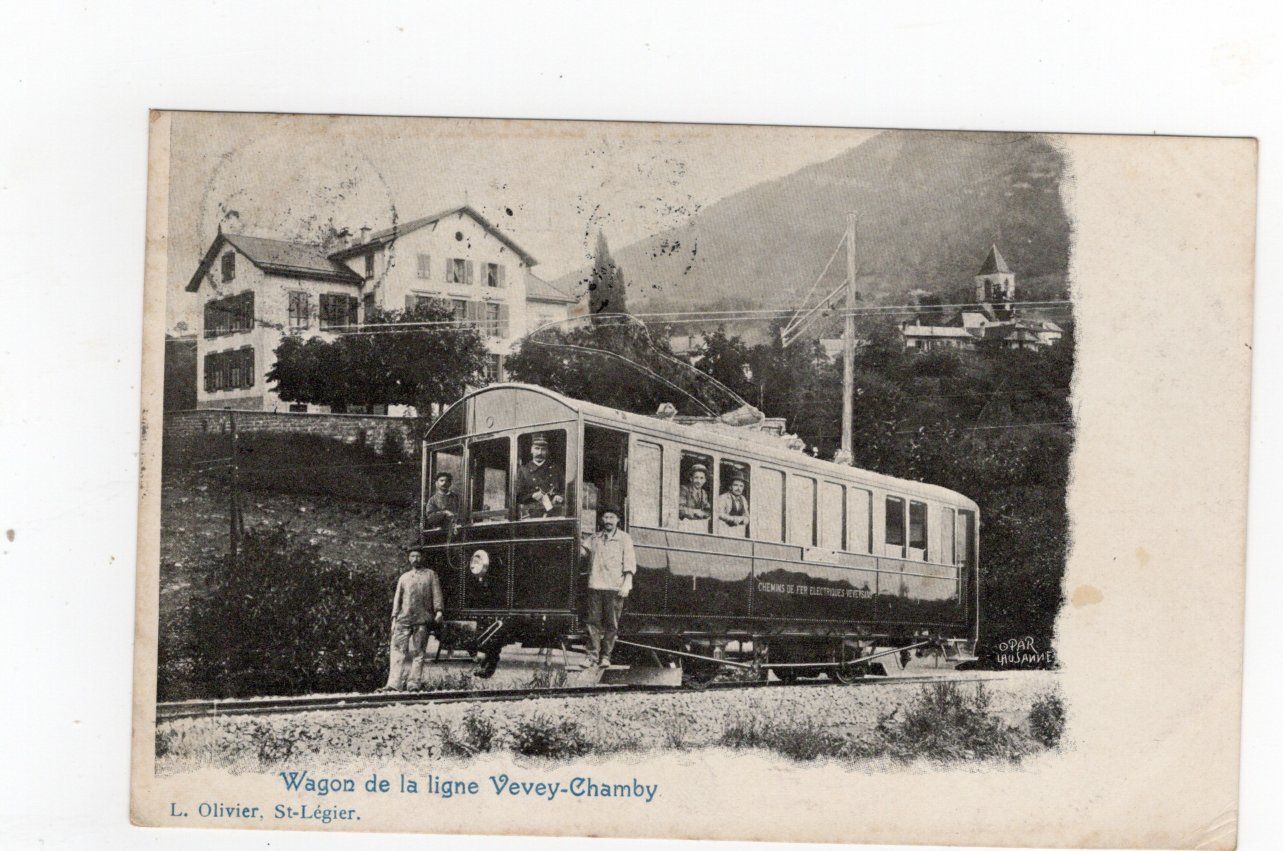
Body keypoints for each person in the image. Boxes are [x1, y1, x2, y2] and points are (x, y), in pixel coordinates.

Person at [377, 549, 444, 692]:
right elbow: (397, 598)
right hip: (403, 619)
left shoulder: (431, 575)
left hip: (422, 619)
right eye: (413, 556)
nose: (416, 559)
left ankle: (414, 684)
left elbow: (436, 594)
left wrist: (439, 611)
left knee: (419, 653)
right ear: (409, 558)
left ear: (423, 557)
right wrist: (394, 618)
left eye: (418, 556)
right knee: (397, 651)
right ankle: (393, 684)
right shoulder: (404, 577)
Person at [581, 507, 635, 668]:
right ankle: (591, 656)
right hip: (595, 585)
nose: (608, 521)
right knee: (592, 622)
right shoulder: (595, 538)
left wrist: (627, 583)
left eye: (612, 517)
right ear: (602, 520)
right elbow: (583, 551)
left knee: (612, 624)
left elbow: (630, 563)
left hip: (614, 587)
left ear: (618, 520)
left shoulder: (625, 539)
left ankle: (605, 657)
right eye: (606, 517)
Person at [515, 433, 565, 518]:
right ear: (531, 450)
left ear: (547, 451)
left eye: (543, 449)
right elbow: (517, 497)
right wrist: (532, 496)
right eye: (537, 448)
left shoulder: (556, 470)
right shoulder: (523, 470)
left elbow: (566, 491)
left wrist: (560, 496)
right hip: (531, 519)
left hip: (554, 518)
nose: (539, 452)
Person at [678, 463, 711, 532]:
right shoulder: (684, 489)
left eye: (701, 478)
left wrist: (704, 513)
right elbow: (679, 509)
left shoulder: (704, 493)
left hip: (699, 526)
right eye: (696, 478)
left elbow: (707, 510)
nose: (699, 481)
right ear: (691, 479)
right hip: (684, 526)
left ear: (705, 480)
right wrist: (695, 512)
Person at [717, 473, 751, 537]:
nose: (738, 488)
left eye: (741, 486)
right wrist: (733, 519)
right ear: (730, 486)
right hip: (723, 531)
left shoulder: (743, 499)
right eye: (736, 485)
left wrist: (742, 520)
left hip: (739, 533)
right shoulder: (723, 497)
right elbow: (719, 514)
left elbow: (747, 517)